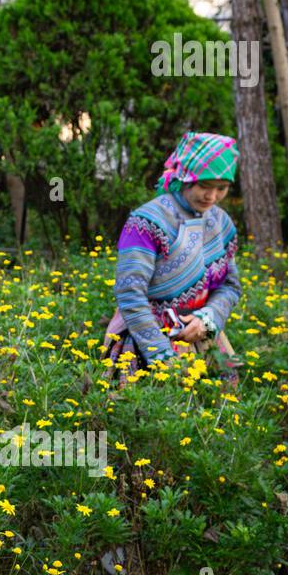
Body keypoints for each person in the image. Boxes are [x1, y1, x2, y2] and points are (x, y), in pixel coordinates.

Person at [104, 131, 243, 385]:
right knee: (154, 416)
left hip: (203, 335)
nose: (211, 197)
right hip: (144, 339)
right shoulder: (146, 222)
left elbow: (230, 286)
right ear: (185, 178)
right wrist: (162, 355)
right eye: (204, 186)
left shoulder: (221, 223)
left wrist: (207, 318)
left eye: (221, 188)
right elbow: (129, 292)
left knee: (222, 417)